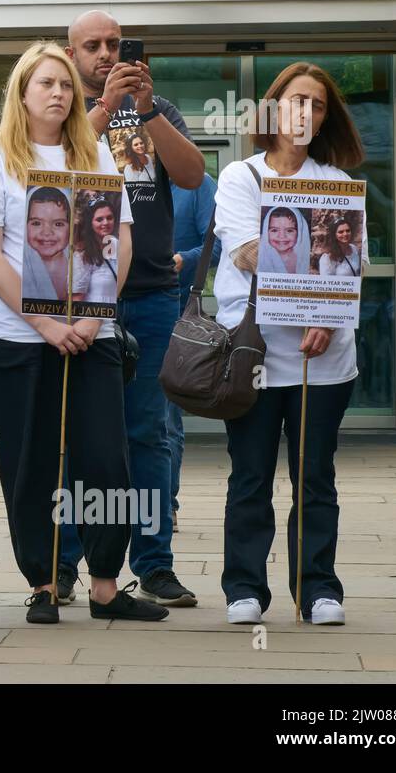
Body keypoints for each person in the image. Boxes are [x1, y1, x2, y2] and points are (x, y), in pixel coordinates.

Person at [0, 40, 166, 625]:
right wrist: (48, 325)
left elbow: (119, 242)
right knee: (29, 464)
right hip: (19, 341)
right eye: (44, 84)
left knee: (105, 462)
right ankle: (44, 582)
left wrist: (89, 320)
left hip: (93, 337)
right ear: (21, 95)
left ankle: (106, 586)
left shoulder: (97, 155)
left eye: (63, 85)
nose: (57, 93)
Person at [213, 62, 367, 627]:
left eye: (318, 105)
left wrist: (326, 314)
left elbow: (352, 263)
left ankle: (319, 587)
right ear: (274, 108)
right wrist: (317, 282)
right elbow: (250, 253)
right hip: (253, 353)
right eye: (296, 100)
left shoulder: (341, 185)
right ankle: (244, 588)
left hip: (322, 358)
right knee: (250, 474)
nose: (306, 112)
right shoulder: (239, 177)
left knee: (315, 475)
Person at [63, 9, 204, 608]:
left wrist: (144, 109)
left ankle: (154, 563)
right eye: (91, 45)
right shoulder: (61, 111)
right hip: (73, 300)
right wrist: (100, 109)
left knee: (149, 435)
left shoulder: (157, 109)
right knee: (76, 437)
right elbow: (51, 167)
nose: (105, 53)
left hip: (148, 295)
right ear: (70, 54)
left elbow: (193, 174)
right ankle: (64, 561)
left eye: (114, 44)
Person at [167, 171, 221, 532]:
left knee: (164, 418)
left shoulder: (198, 183)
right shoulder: (115, 175)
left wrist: (183, 260)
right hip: (110, 309)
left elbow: (216, 245)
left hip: (173, 311)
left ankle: (163, 506)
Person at [21, 186, 72, 302]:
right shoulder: (18, 268)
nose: (47, 232)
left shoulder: (83, 267)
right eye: (36, 223)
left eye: (58, 224)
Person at [71, 196, 120, 305]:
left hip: (118, 318)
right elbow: (76, 301)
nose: (105, 223)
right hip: (94, 319)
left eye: (109, 217)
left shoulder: (119, 246)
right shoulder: (82, 255)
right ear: (90, 223)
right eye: (99, 219)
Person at [259, 206, 309, 275]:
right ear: (265, 232)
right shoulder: (260, 257)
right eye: (274, 230)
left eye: (289, 230)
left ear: (300, 233)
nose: (282, 236)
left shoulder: (306, 258)